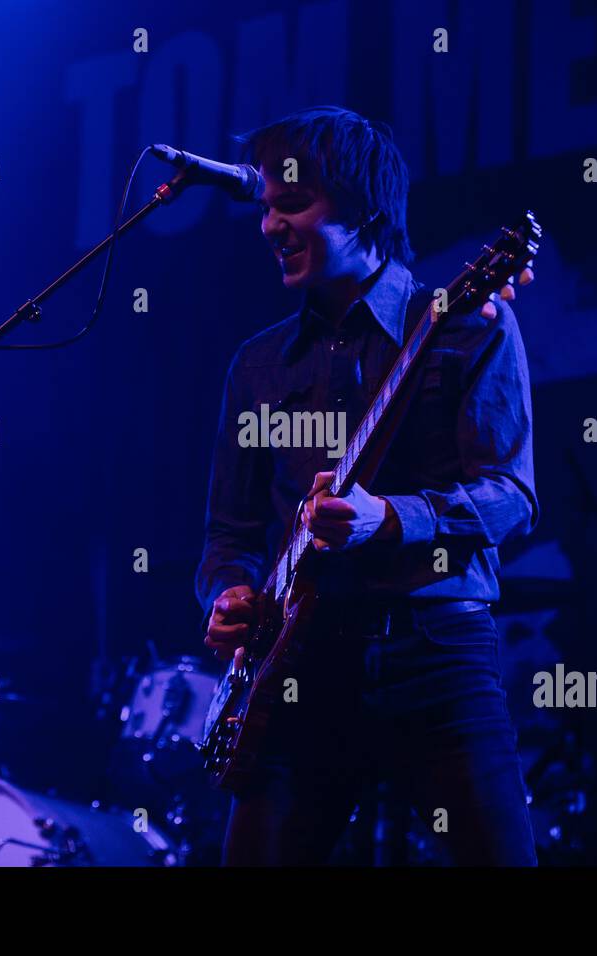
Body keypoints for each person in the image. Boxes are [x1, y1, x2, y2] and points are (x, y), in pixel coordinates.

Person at [195, 105, 539, 865]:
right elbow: (231, 533)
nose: (268, 226)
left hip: (434, 651)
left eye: (292, 205)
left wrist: (391, 519)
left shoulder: (468, 322)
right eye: (266, 208)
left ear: (362, 210)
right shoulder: (257, 365)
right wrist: (227, 595)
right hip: (296, 667)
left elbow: (512, 497)